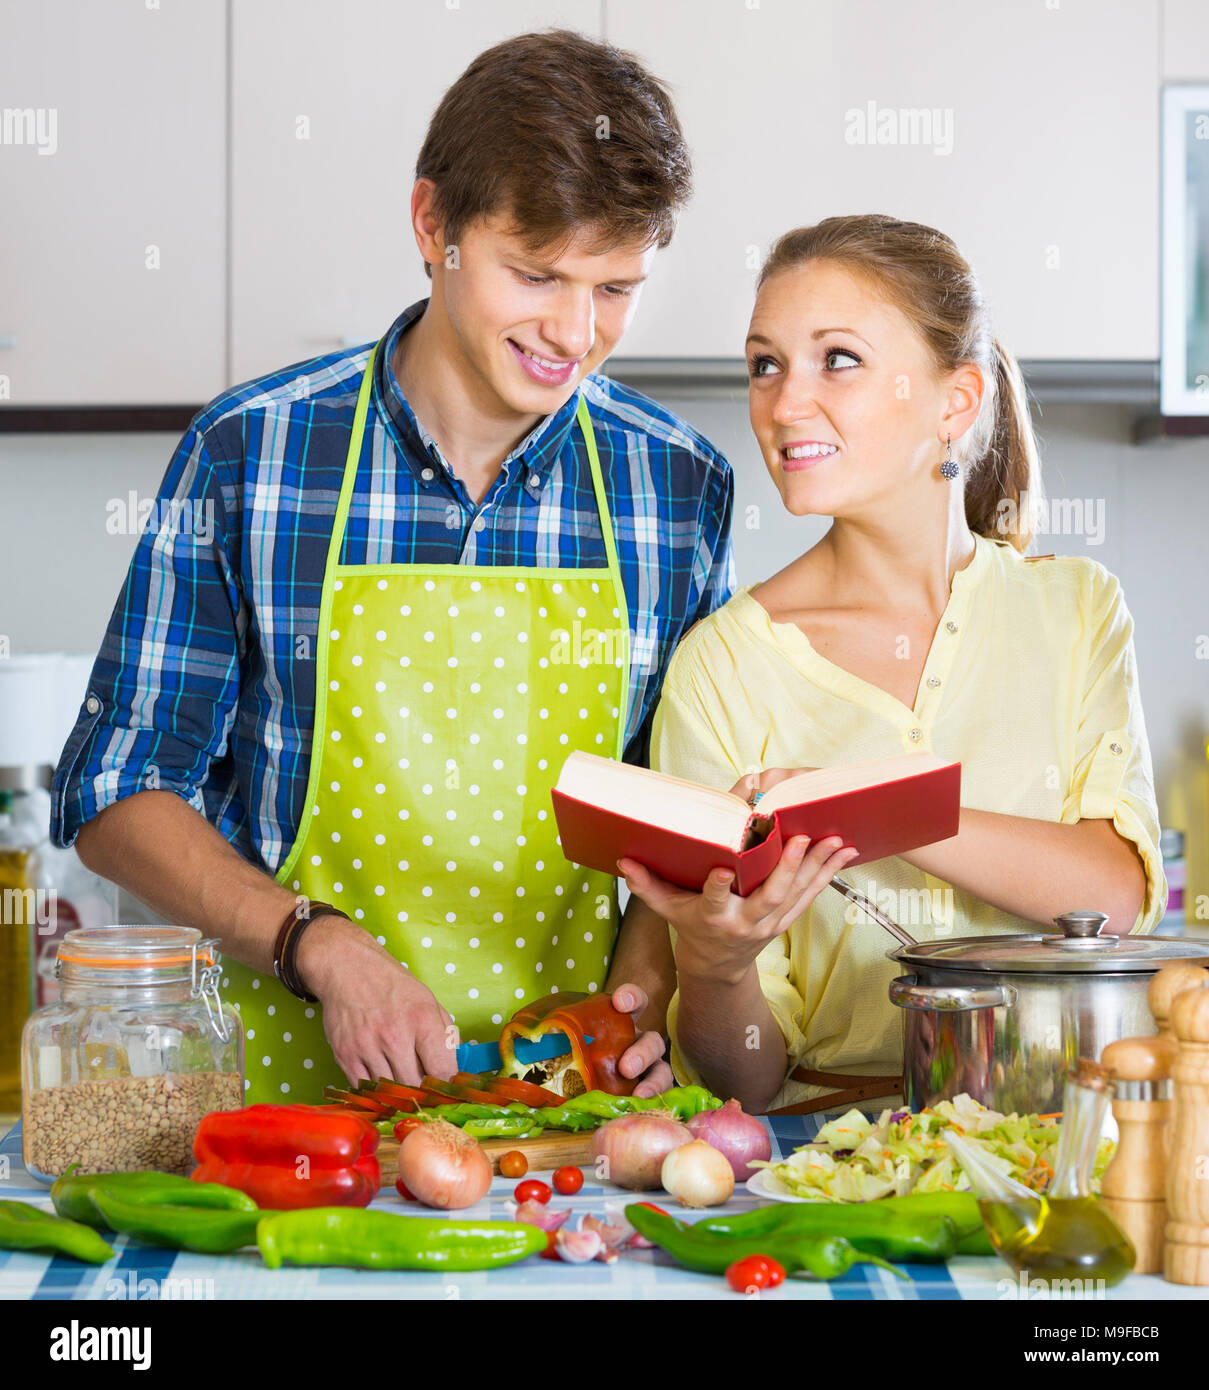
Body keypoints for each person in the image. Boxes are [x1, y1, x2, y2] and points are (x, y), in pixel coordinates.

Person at [50, 29, 740, 1103]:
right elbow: (117, 789)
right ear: (435, 225)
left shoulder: (677, 485)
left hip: (568, 1120)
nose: (574, 330)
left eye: (615, 287)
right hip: (286, 1116)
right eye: (537, 274)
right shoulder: (256, 453)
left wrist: (635, 998)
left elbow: (685, 809)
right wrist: (316, 944)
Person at [619, 215, 1167, 1115]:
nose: (785, 402)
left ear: (954, 401)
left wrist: (867, 807)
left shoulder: (1075, 609)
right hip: (819, 1164)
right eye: (765, 364)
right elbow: (744, 1080)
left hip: (1059, 1145)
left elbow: (1111, 899)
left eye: (836, 359)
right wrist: (714, 970)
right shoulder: (720, 665)